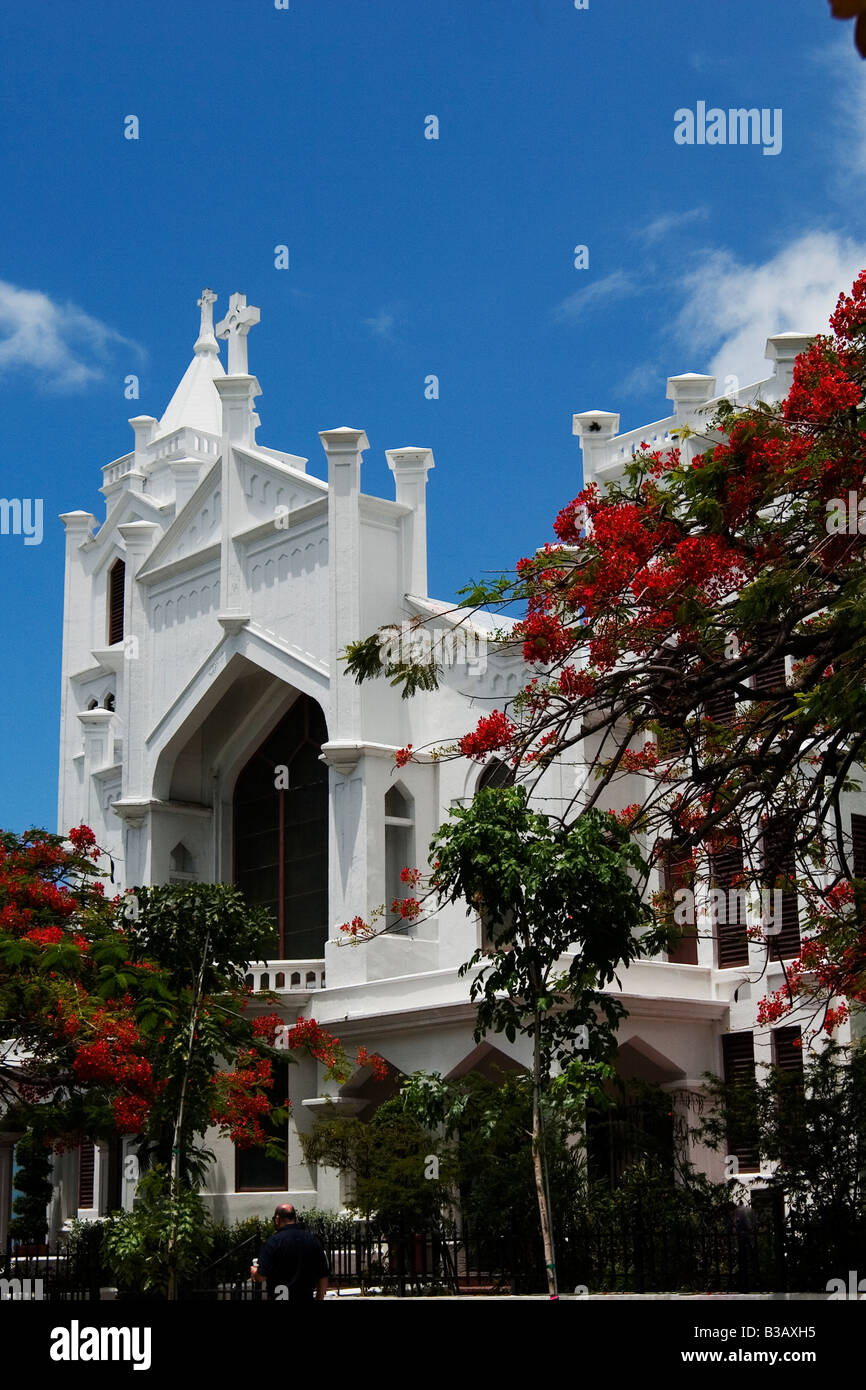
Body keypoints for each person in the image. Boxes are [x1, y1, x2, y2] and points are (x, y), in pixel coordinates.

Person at [251, 1204, 329, 1302]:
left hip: (281, 1296)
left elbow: (261, 1276)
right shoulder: (312, 1240)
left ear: (277, 1219)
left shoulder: (273, 1242)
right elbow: (323, 1275)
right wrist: (319, 1297)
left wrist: (254, 1272)